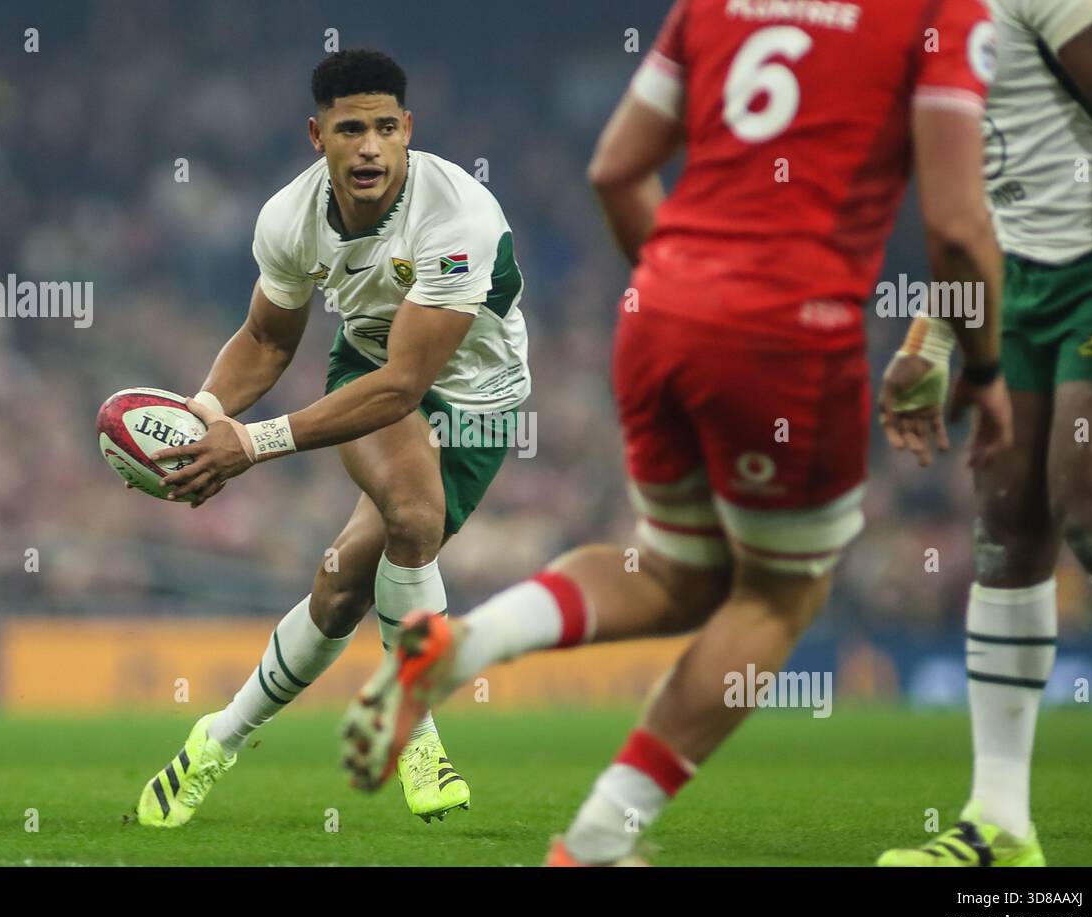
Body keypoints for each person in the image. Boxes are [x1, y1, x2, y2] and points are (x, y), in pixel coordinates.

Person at [340, 0, 1011, 865]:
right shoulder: (936, 12)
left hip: (660, 309)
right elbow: (958, 226)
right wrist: (983, 368)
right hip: (791, 328)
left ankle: (466, 641)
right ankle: (594, 839)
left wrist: (687, 301)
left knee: (674, 571)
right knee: (777, 593)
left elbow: (615, 170)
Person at [134, 48, 531, 826]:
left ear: (409, 129)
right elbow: (267, 340)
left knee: (344, 585)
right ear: (318, 136)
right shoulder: (288, 218)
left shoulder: (458, 217)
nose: (372, 147)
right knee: (413, 518)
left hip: (476, 400)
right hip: (370, 370)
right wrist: (207, 412)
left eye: (387, 127)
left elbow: (412, 384)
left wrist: (252, 444)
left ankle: (214, 740)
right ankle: (416, 730)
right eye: (353, 129)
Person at [878, 0, 1092, 867]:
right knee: (1006, 527)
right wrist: (933, 337)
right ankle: (999, 824)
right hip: (1016, 282)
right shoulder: (913, 23)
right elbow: (972, 192)